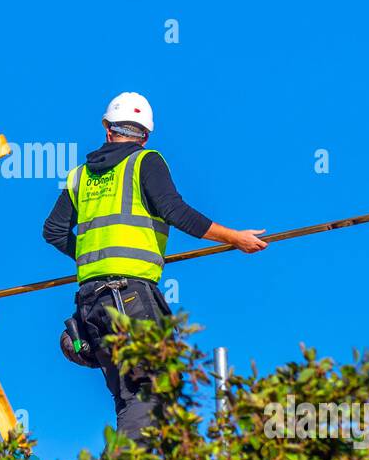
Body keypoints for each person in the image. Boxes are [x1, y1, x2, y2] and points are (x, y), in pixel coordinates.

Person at [43, 92, 267, 440]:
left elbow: (53, 231)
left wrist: (97, 258)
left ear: (107, 128)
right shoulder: (145, 161)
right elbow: (175, 212)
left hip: (90, 303)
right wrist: (234, 238)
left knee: (129, 395)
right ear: (145, 135)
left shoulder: (79, 176)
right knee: (152, 387)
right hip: (129, 296)